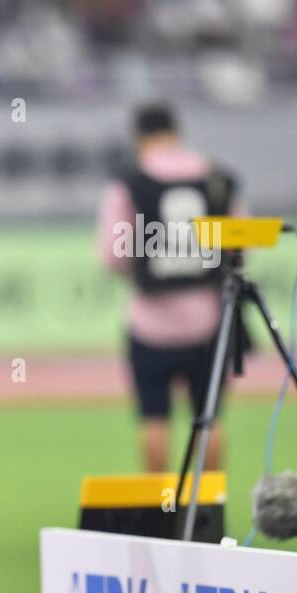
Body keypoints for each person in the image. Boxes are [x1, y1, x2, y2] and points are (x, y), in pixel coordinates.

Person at [97, 103, 245, 473]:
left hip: (150, 324)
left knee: (154, 417)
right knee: (209, 417)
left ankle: (160, 508)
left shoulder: (130, 181)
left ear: (139, 137)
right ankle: (208, 509)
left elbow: (112, 255)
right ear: (176, 132)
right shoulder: (217, 178)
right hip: (208, 320)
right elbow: (240, 245)